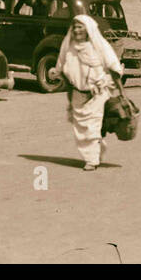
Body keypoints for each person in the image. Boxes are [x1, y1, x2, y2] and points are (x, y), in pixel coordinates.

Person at [51, 14, 124, 171]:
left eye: (80, 27)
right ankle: (96, 150)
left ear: (88, 29)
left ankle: (91, 160)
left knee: (92, 125)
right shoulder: (69, 46)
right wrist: (55, 72)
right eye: (75, 27)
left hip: (97, 92)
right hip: (77, 93)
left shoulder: (98, 45)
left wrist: (111, 82)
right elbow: (61, 64)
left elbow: (113, 65)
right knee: (81, 129)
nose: (77, 30)